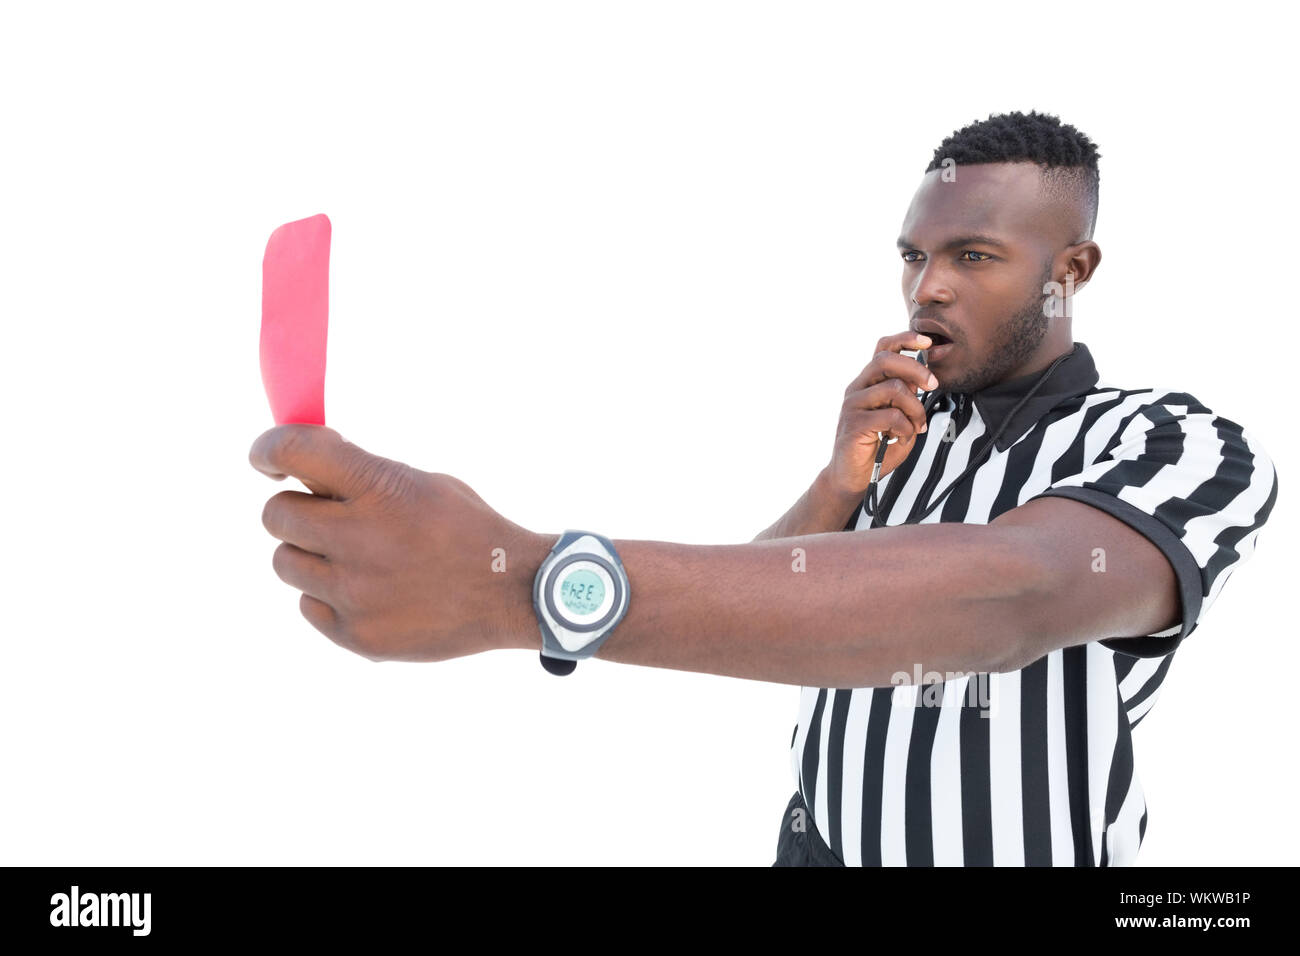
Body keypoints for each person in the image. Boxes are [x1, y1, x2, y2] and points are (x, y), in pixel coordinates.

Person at [250, 110, 1279, 866]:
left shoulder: (1179, 441)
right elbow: (766, 591)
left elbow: (1009, 595)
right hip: (812, 841)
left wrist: (527, 581)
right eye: (914, 256)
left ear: (1074, 267)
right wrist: (837, 484)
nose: (929, 286)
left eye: (974, 255)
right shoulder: (906, 428)